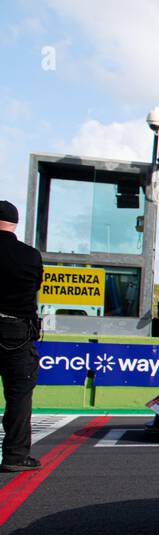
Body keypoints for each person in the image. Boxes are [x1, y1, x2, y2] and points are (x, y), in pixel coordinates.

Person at [0, 200, 44, 473]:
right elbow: (34, 286)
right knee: (19, 393)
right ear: (15, 223)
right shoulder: (30, 255)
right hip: (16, 330)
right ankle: (15, 455)